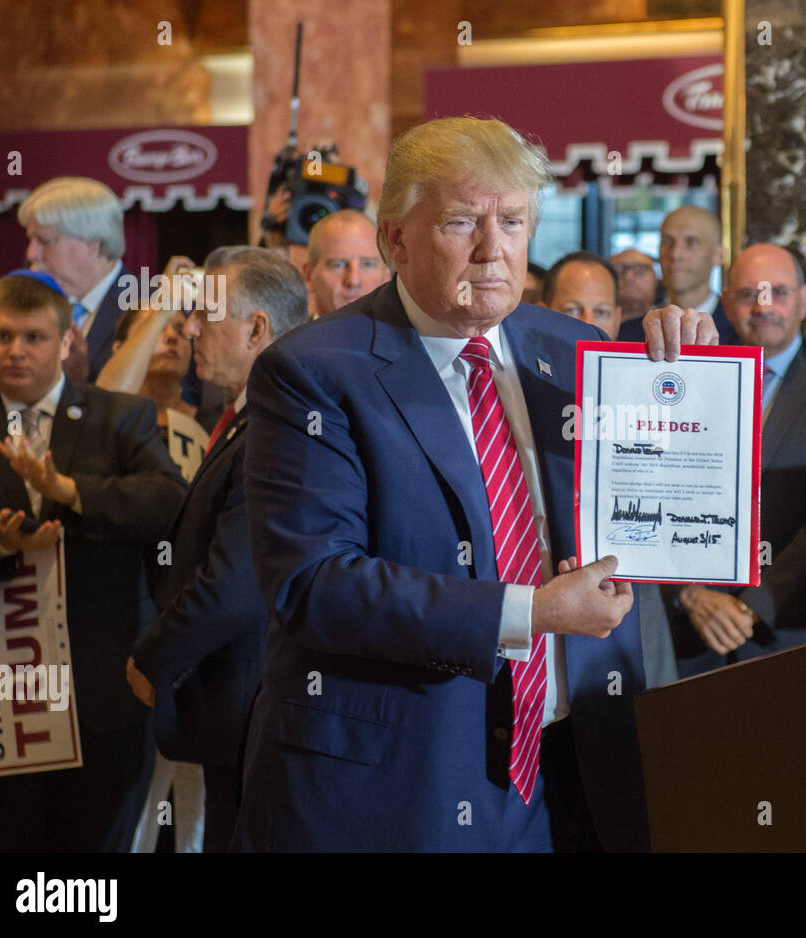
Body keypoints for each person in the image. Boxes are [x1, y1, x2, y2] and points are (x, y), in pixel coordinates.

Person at [231, 116, 716, 853]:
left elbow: (654, 512)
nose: (494, 250)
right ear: (396, 240)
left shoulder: (578, 349)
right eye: (462, 222)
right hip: (398, 786)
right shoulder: (314, 371)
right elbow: (315, 584)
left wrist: (697, 377)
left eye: (513, 221)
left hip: (573, 773)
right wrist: (531, 611)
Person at [0, 270, 186, 852]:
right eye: (2, 336)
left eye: (35, 337)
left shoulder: (122, 415)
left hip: (101, 688)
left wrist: (68, 491)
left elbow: (169, 505)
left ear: (67, 343)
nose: (17, 351)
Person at [127, 246, 310, 853]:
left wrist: (155, 653)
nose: (193, 328)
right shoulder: (248, 411)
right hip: (232, 703)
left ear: (257, 328)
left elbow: (234, 584)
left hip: (254, 704)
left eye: (208, 315)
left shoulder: (280, 419)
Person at [670, 244, 806, 676]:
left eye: (778, 292)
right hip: (690, 633)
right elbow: (657, 490)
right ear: (726, 302)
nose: (763, 306)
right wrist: (689, 593)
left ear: (804, 300)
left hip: (794, 632)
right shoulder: (684, 378)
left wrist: (753, 607)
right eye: (748, 293)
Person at [542, 251, 679, 690]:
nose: (586, 323)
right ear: (542, 312)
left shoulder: (647, 387)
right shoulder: (518, 385)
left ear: (620, 316)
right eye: (571, 310)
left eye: (600, 311)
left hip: (633, 598)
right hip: (539, 608)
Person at [19, 177, 128, 384]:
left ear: (91, 245)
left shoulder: (149, 307)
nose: (31, 253)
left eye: (44, 241)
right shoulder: (32, 303)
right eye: (30, 240)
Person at [659, 205, 740, 345]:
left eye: (691, 242)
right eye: (667, 242)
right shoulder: (629, 333)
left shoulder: (740, 331)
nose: (675, 254)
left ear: (718, 255)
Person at [300, 210, 391, 318]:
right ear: (309, 276)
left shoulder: (409, 334)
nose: (353, 281)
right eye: (338, 265)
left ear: (387, 276)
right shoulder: (292, 335)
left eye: (367, 264)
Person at [610, 248, 661, 342]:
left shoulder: (665, 326)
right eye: (619, 270)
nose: (628, 276)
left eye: (640, 270)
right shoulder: (592, 322)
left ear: (656, 279)